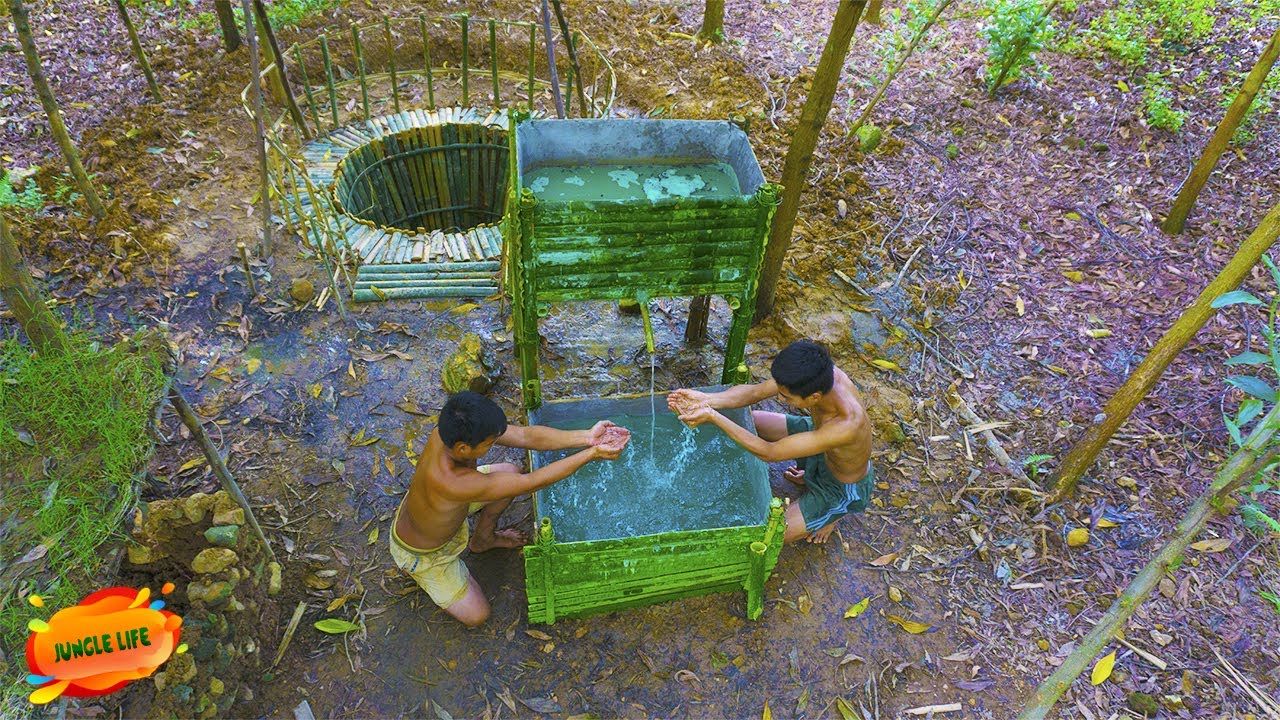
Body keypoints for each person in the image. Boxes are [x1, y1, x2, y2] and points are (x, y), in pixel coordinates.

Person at [391, 391, 630, 626]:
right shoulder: (451, 482)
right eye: (490, 443)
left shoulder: (448, 433)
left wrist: (587, 437)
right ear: (464, 448)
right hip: (425, 553)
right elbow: (531, 482)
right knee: (477, 616)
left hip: (443, 510)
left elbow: (526, 436)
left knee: (509, 473)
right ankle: (414, 570)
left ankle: (483, 540)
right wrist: (591, 454)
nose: (495, 443)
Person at [668, 340, 873, 544]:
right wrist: (707, 399)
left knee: (771, 535)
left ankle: (832, 513)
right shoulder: (816, 374)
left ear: (814, 397)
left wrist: (714, 416)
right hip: (819, 435)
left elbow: (770, 453)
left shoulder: (847, 424)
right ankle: (811, 473)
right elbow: (755, 392)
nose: (781, 399)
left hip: (838, 486)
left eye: (786, 398)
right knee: (752, 420)